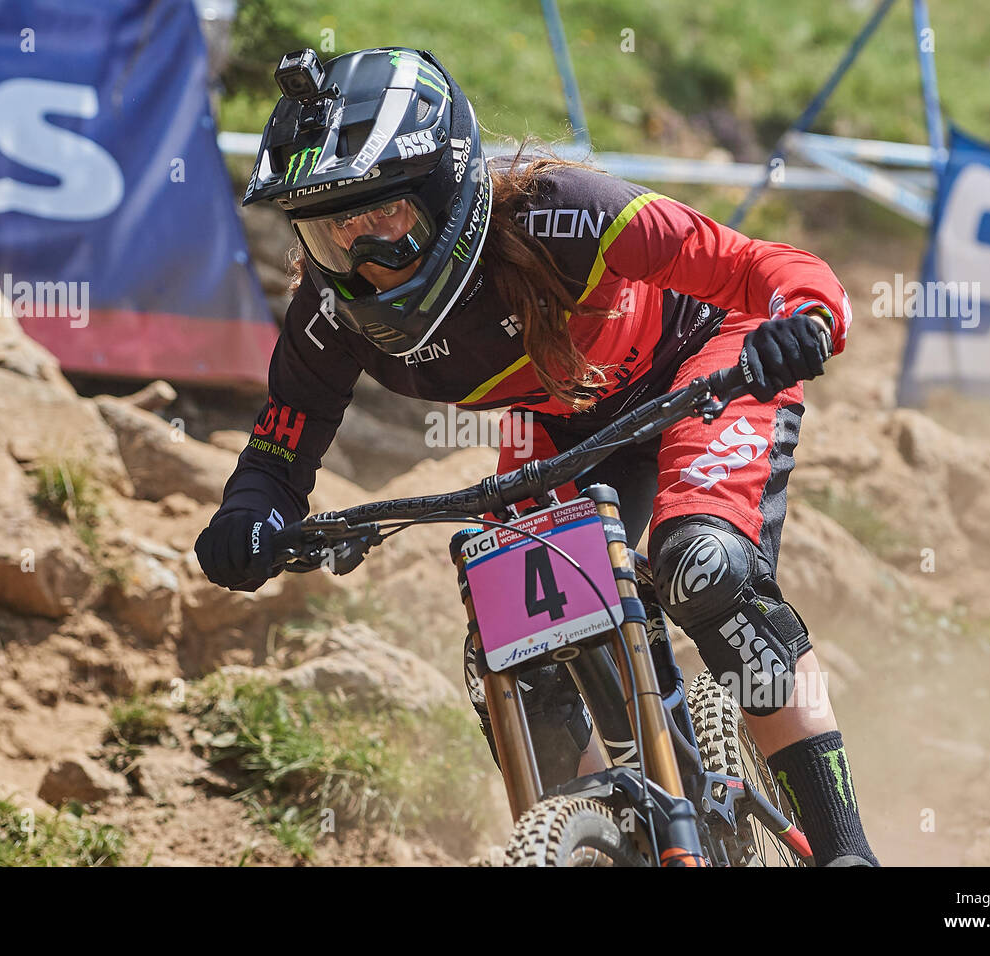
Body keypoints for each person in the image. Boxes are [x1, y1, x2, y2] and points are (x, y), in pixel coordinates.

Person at [196, 46, 878, 866]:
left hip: (705, 365)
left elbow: (762, 266)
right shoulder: (331, 315)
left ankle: (846, 853)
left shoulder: (571, 214)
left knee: (701, 569)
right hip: (564, 422)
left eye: (380, 226)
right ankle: (606, 835)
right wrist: (249, 515)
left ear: (444, 196)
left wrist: (800, 318)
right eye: (331, 236)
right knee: (506, 642)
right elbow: (283, 442)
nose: (361, 267)